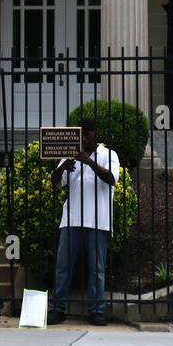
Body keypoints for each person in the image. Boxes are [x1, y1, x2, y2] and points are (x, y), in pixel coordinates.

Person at [47, 118, 119, 326]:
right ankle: (58, 309)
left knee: (96, 268)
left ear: (95, 134)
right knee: (62, 266)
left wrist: (89, 162)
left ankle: (96, 311)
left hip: (99, 220)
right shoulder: (71, 154)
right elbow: (56, 182)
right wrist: (63, 167)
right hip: (71, 218)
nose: (84, 137)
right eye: (81, 133)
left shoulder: (108, 155)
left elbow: (112, 178)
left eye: (87, 133)